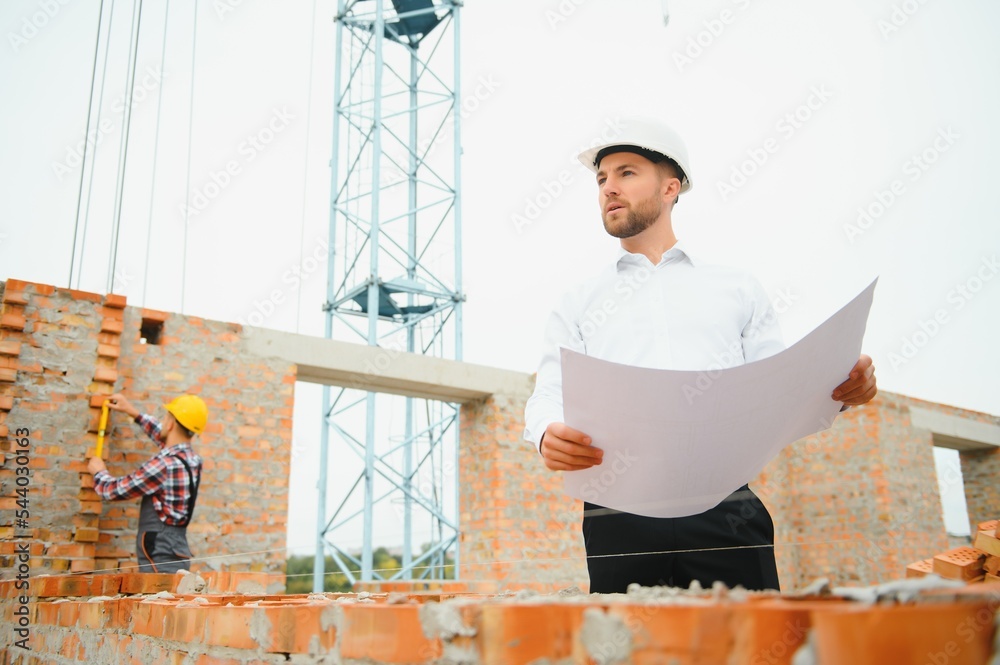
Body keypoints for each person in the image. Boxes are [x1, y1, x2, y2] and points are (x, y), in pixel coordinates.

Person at [523, 116, 877, 594]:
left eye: (626, 173)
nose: (608, 188)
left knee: (750, 647)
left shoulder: (736, 288)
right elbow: (549, 390)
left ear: (672, 188)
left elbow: (782, 386)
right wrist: (546, 433)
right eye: (602, 178)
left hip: (728, 509)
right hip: (617, 517)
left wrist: (843, 391)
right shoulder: (578, 301)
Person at [87, 393, 207, 574]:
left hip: (158, 548)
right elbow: (165, 437)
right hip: (177, 546)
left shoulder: (164, 465)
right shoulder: (192, 459)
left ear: (171, 424)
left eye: (166, 417)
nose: (163, 421)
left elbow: (113, 490)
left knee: (160, 597)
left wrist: (98, 472)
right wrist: (133, 412)